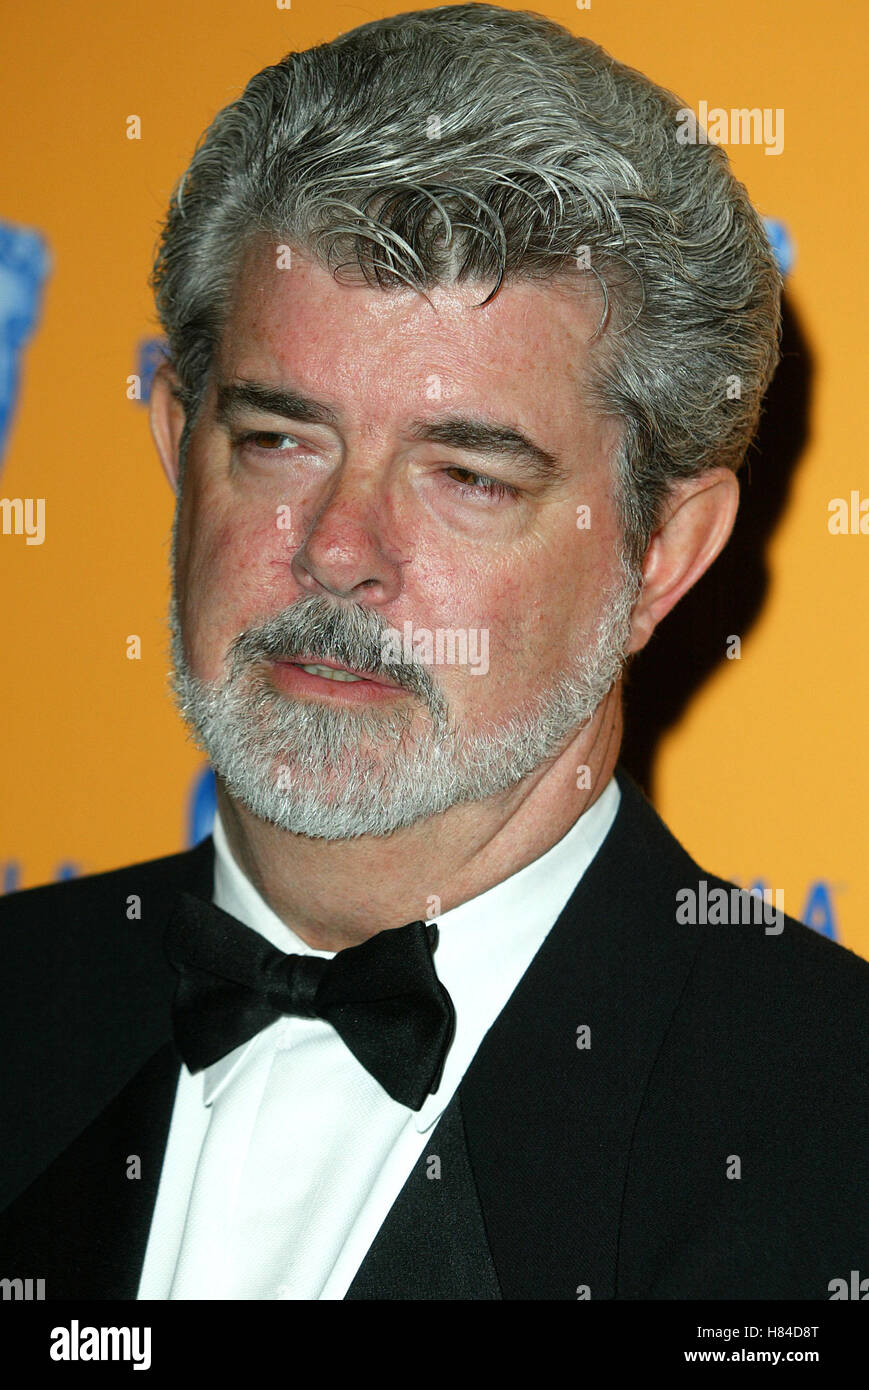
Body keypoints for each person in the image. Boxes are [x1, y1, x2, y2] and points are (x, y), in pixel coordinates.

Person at [1, 4, 865, 1301]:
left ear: (662, 553)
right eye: (279, 440)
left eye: (464, 473)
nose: (339, 548)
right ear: (180, 449)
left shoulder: (829, 1138)